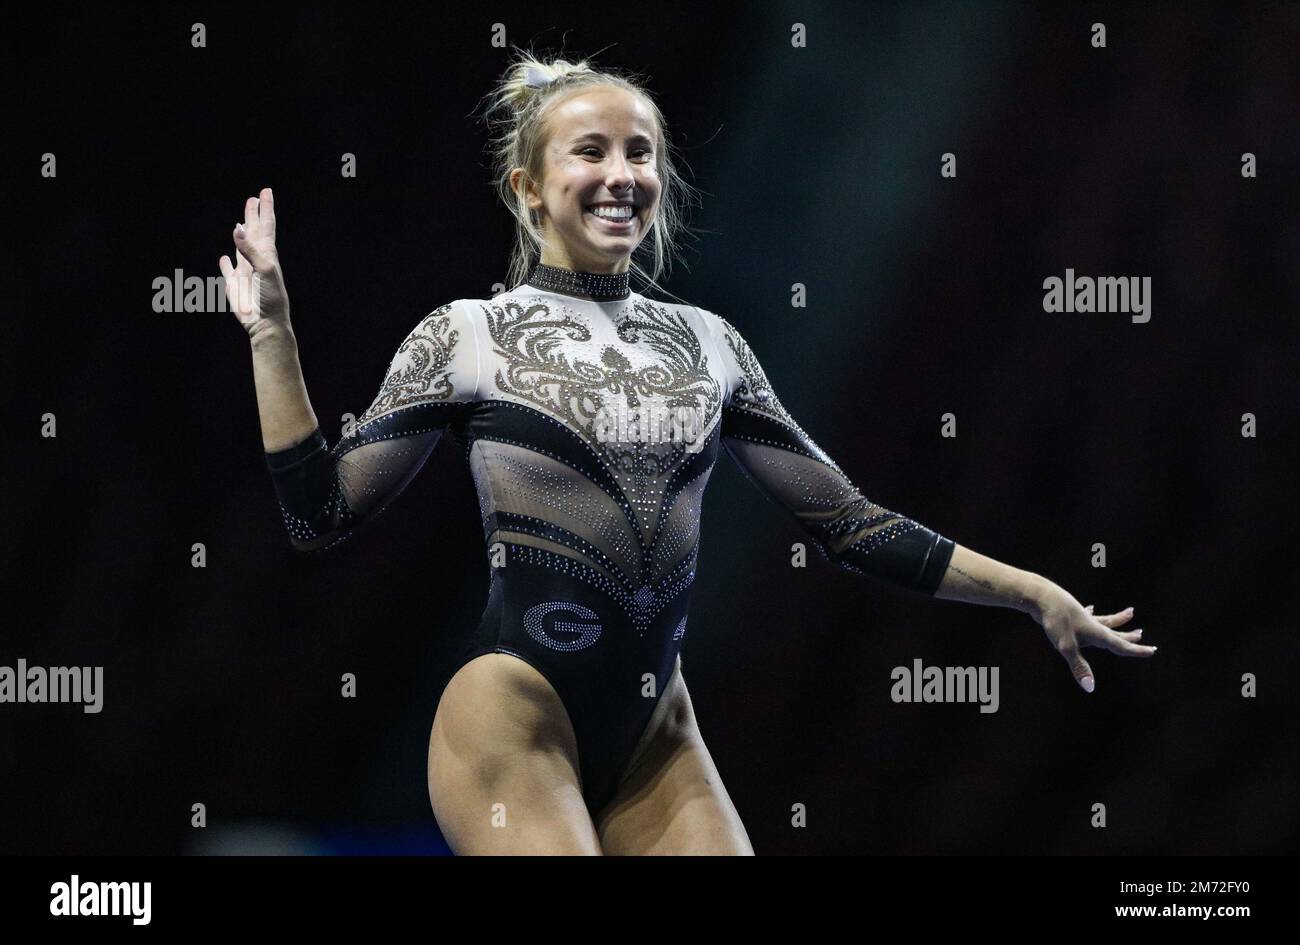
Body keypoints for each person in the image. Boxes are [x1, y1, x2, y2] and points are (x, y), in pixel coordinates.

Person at [221, 51, 1157, 855]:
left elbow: (848, 522)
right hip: (513, 713)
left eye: (641, 152)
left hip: (657, 731)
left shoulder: (710, 345)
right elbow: (320, 514)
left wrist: (1029, 589)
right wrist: (272, 336)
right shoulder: (470, 335)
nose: (621, 172)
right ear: (529, 185)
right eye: (590, 151)